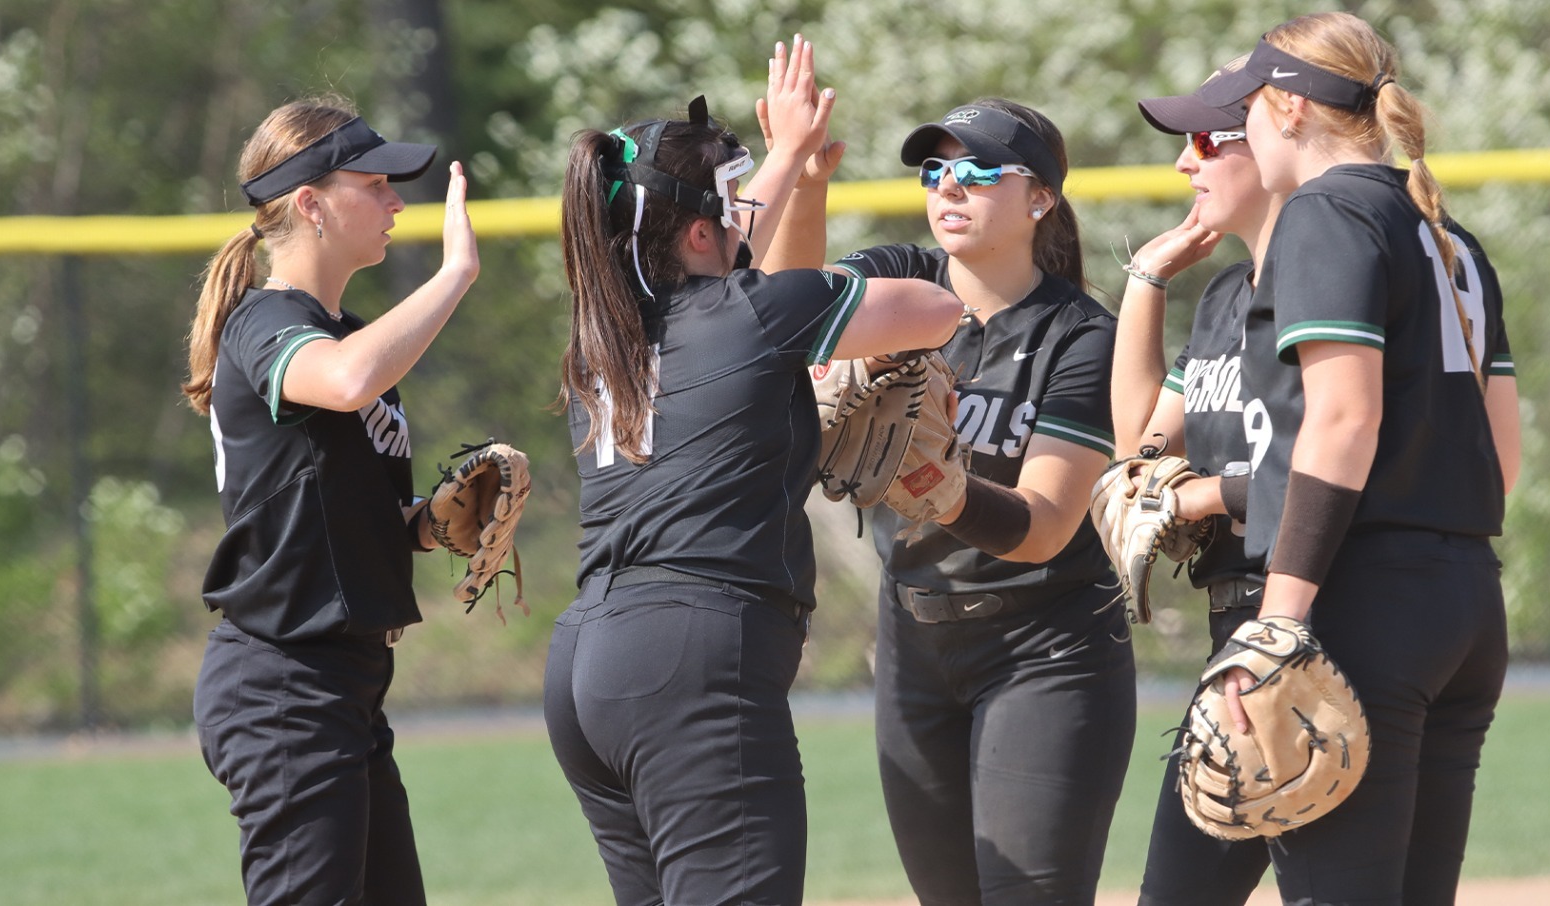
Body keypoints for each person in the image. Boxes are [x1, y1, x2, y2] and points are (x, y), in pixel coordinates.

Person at [541, 37, 964, 906]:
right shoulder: (757, 310)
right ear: (699, 228)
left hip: (589, 656)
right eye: (734, 207)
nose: (748, 220)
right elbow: (938, 309)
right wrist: (864, 271)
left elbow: (731, 258)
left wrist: (790, 159)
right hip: (693, 654)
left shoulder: (604, 334)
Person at [1186, 12, 1523, 905]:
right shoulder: (1448, 234)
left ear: (1290, 111)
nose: (1243, 127)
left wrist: (1279, 623)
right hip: (1463, 601)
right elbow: (1504, 449)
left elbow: (1343, 419)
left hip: (1362, 601)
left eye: (1249, 107)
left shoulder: (1327, 211)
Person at [830, 99, 1129, 905]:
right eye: (935, 170)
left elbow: (1043, 528)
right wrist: (799, 172)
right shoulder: (902, 281)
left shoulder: (1082, 335)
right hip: (913, 646)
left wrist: (938, 487)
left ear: (1040, 199)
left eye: (978, 170)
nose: (949, 187)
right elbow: (778, 311)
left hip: (1046, 647)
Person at [183, 96, 478, 904]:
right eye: (376, 182)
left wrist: (432, 523)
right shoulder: (267, 321)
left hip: (342, 686)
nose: (395, 201)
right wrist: (456, 273)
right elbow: (346, 382)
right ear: (310, 203)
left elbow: (351, 506)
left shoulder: (343, 327)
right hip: (284, 685)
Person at [1110, 58, 1286, 906]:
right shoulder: (1223, 298)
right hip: (1235, 633)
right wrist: (1146, 281)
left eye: (1207, 142)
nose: (1185, 163)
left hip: (1311, 619)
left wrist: (1200, 498)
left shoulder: (1327, 283)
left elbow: (1332, 468)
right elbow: (1141, 445)